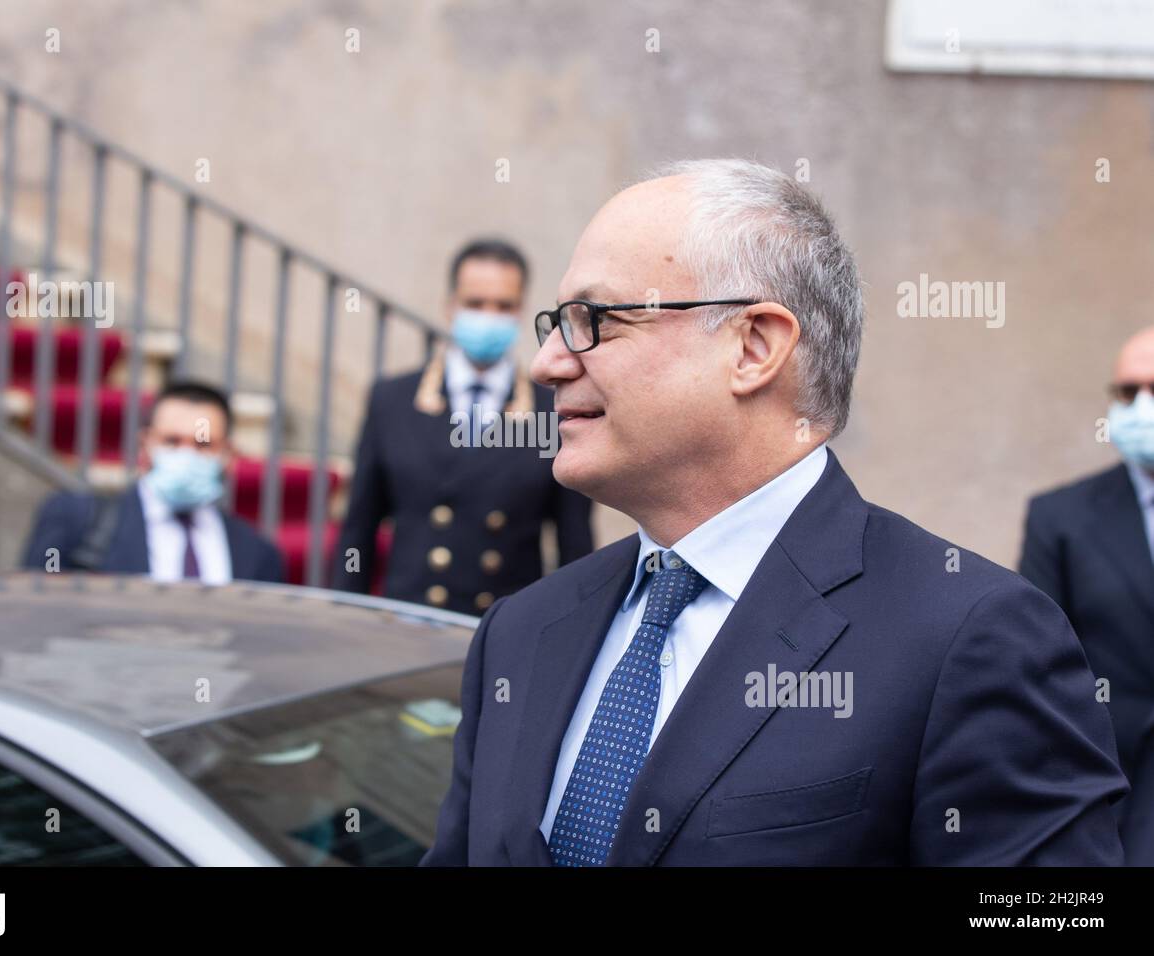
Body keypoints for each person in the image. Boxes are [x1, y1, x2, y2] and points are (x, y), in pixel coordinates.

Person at [421, 159, 1126, 866]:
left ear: (754, 347)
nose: (545, 362)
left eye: (593, 320)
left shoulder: (971, 639)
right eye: (555, 323)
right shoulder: (520, 632)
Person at [333, 238, 593, 615]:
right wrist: (346, 612)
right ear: (450, 306)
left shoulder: (553, 409)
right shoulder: (392, 400)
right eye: (475, 304)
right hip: (410, 622)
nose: (489, 316)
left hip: (504, 625)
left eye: (503, 306)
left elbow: (574, 541)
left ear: (520, 311)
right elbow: (359, 527)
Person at [1020, 325, 1154, 866]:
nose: (1139, 407)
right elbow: (1034, 660)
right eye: (1127, 393)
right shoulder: (1063, 517)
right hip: (1109, 788)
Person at [22, 380, 283, 584]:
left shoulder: (256, 553)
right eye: (172, 441)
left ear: (227, 453)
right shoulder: (77, 522)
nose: (186, 455)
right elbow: (36, 611)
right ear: (145, 445)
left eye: (203, 444)